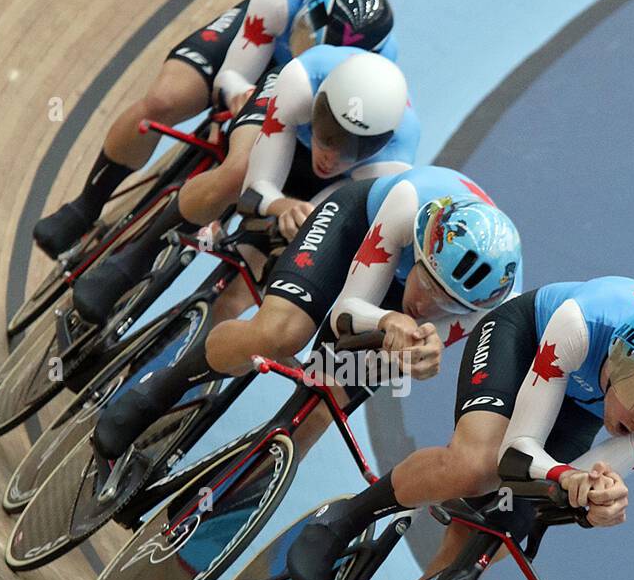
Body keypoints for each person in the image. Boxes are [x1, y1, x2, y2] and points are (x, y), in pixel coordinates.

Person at [285, 282, 634, 580]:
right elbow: (518, 453)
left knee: (505, 529)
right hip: (525, 342)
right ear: (621, 359)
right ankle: (344, 519)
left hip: (580, 404)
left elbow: (587, 481)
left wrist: (598, 500)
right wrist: (563, 479)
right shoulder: (582, 322)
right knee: (476, 466)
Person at [92, 164, 523, 462]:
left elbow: (414, 345)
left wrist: (419, 357)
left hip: (423, 292)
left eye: (447, 304)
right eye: (427, 284)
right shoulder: (409, 202)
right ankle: (154, 395)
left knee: (320, 411)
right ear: (424, 248)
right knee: (281, 333)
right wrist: (390, 319)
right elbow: (345, 314)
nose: (428, 305)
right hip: (357, 224)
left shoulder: (494, 303)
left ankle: (223, 513)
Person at [32, 0, 396, 260]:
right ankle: (86, 205)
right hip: (262, 53)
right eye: (306, 35)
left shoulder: (369, 74)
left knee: (242, 171)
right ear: (309, 9)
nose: (308, 50)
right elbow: (233, 74)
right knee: (164, 101)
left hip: (311, 94)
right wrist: (238, 92)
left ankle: (139, 260)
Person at [71, 38, 414, 326]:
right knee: (235, 176)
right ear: (319, 103)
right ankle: (133, 260)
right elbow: (259, 182)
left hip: (341, 185)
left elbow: (340, 217)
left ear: (382, 143)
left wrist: (301, 223)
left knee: (248, 282)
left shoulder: (393, 165)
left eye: (352, 149)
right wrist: (277, 203)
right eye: (328, 137)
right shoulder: (302, 81)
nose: (331, 156)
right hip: (285, 130)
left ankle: (173, 365)